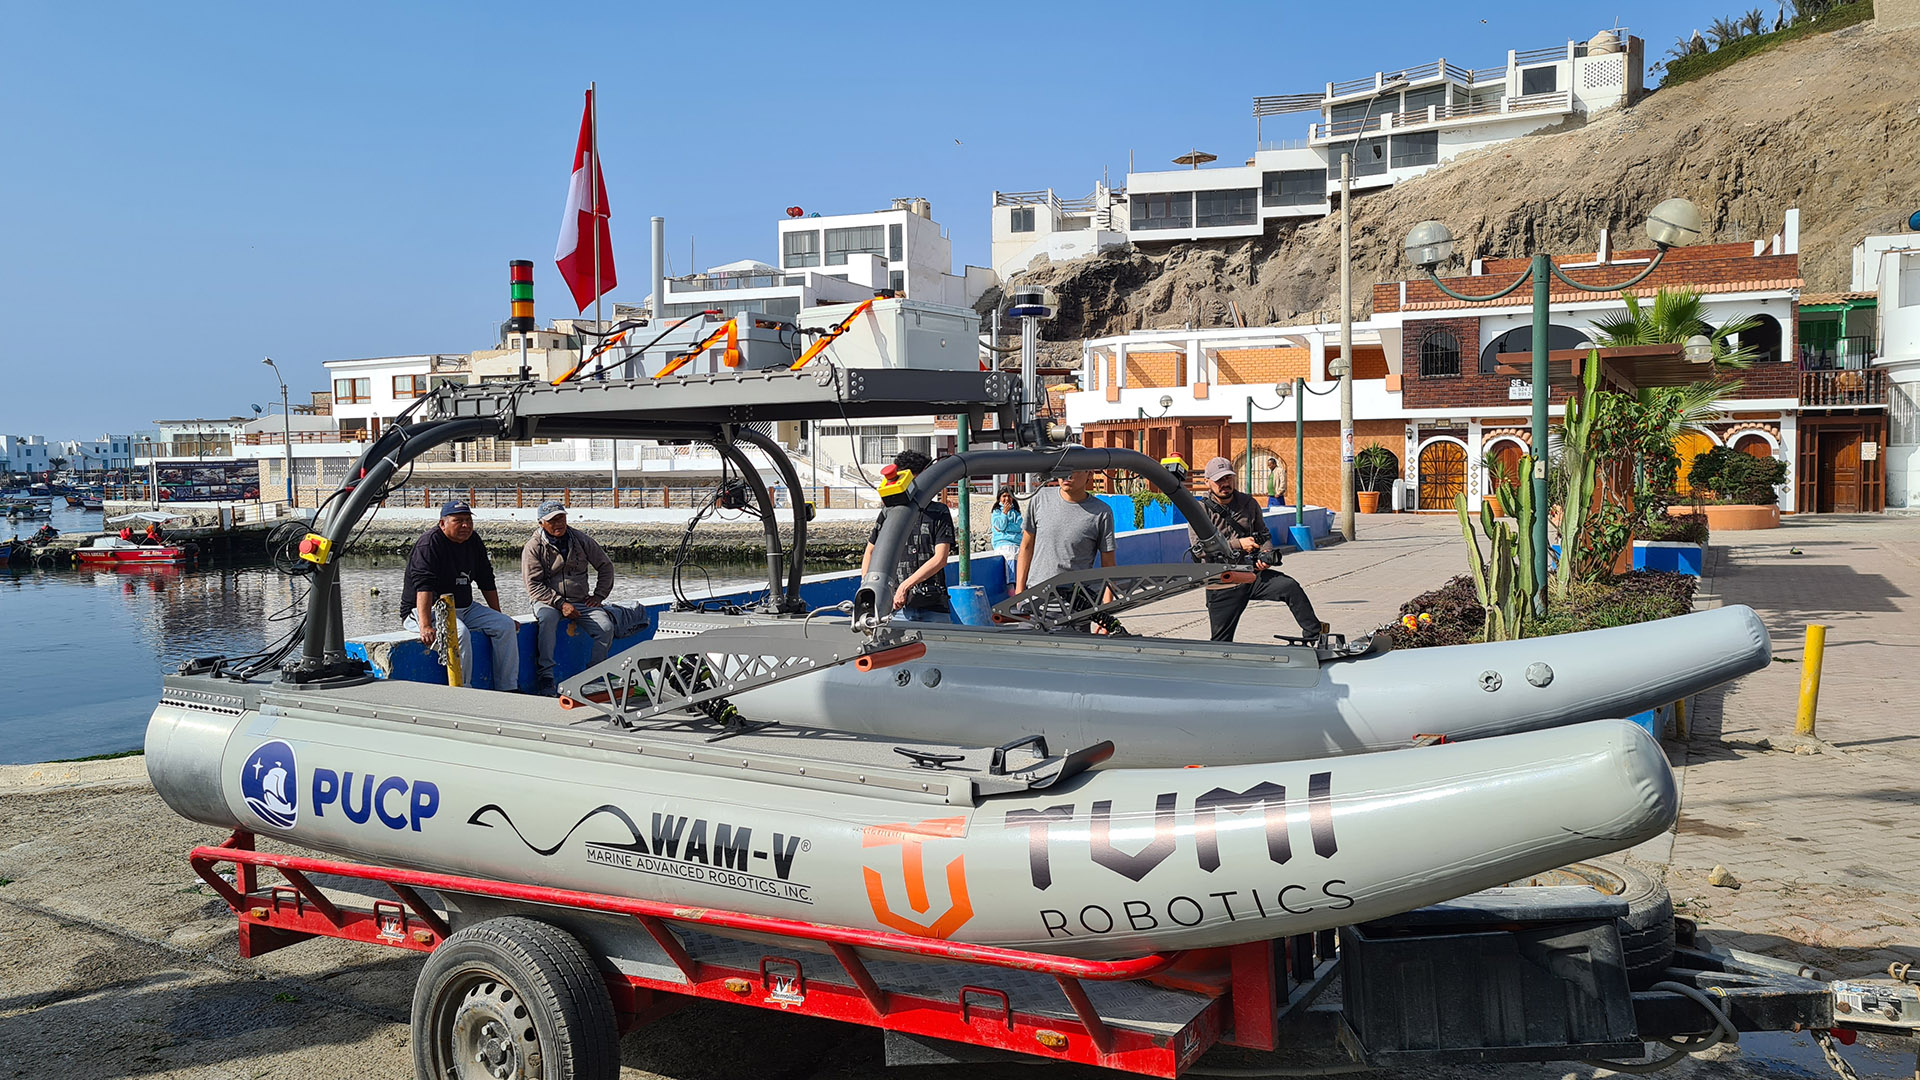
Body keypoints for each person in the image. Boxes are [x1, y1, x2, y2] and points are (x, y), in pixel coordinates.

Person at [1192, 456, 1324, 644]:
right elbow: (1200, 550)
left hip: (1251, 574)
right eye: (1219, 480)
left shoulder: (1248, 503)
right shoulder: (1200, 510)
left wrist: (1265, 555)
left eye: (1228, 478)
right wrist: (1239, 544)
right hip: (1221, 581)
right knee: (1221, 642)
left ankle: (1315, 636)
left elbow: (1263, 534)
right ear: (1207, 482)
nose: (1225, 484)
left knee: (1290, 587)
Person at [402, 500, 521, 691]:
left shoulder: (473, 540)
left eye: (468, 520)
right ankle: (463, 690)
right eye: (458, 520)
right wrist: (425, 626)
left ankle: (508, 687)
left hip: (466, 607)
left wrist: (498, 614)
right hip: (428, 609)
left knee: (505, 625)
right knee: (460, 633)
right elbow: (423, 587)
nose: (465, 525)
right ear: (443, 523)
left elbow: (486, 579)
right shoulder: (429, 543)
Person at [522, 501, 616, 696]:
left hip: (580, 600)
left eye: (561, 518)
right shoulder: (533, 546)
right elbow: (533, 585)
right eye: (552, 520)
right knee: (547, 621)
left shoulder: (581, 540)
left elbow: (605, 566)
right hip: (547, 601)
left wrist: (599, 595)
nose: (558, 523)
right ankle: (546, 676)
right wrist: (560, 603)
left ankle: (594, 674)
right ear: (541, 523)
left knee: (606, 627)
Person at [1014, 467, 1117, 630]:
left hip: (1076, 613)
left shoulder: (1101, 513)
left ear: (1089, 473)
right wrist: (1019, 594)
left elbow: (1109, 565)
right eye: (1062, 469)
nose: (1067, 475)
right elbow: (1026, 546)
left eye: (1075, 469)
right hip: (1034, 607)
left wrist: (1106, 613)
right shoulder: (1040, 498)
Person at [861, 449, 955, 623]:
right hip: (896, 609)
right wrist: (868, 588)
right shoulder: (888, 513)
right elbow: (870, 552)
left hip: (933, 605)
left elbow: (941, 558)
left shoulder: (939, 512)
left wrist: (905, 586)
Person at [989, 487, 1023, 585]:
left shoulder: (1016, 513)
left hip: (1016, 543)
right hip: (1002, 543)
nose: (1007, 499)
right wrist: (1004, 514)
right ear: (999, 498)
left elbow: (1019, 527)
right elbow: (999, 526)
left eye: (1009, 496)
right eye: (1004, 496)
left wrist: (1006, 527)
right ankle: (1011, 584)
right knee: (1010, 553)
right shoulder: (997, 512)